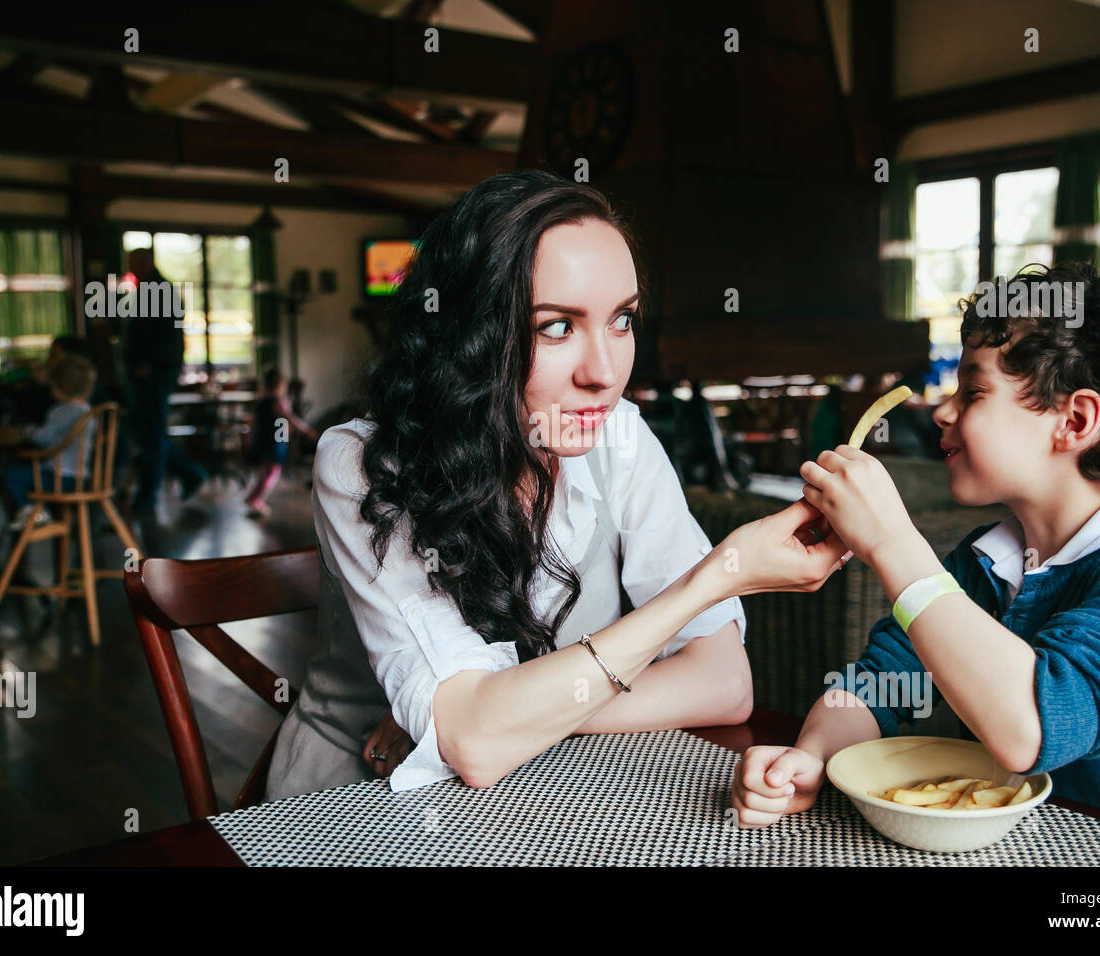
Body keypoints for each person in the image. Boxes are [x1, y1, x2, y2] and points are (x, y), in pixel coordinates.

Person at [265, 170, 852, 799]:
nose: (604, 373)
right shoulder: (361, 460)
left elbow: (726, 685)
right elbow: (474, 743)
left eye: (622, 320)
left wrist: (510, 719)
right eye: (557, 326)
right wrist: (718, 576)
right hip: (351, 807)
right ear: (471, 336)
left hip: (554, 792)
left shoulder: (619, 434)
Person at [733, 263, 1100, 849]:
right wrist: (812, 756)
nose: (943, 411)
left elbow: (1034, 726)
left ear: (1074, 421)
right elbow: (879, 684)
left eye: (972, 390)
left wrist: (893, 543)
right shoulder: (990, 561)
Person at [123, 248, 207, 518]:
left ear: (145, 262)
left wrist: (151, 365)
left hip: (156, 374)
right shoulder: (147, 288)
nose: (130, 267)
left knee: (152, 435)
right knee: (151, 433)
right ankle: (191, 473)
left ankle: (148, 496)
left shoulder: (161, 290)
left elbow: (165, 336)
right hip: (148, 373)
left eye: (133, 262)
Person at [1, 355, 97, 530]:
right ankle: (38, 513)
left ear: (61, 387)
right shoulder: (88, 411)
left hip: (60, 478)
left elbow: (44, 438)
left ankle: (33, 512)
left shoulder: (61, 411)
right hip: (82, 477)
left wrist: (28, 431)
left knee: (12, 475)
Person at [244, 367, 319, 518]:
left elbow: (256, 424)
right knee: (272, 473)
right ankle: (254, 498)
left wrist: (250, 440)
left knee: (267, 472)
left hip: (263, 440)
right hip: (273, 442)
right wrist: (307, 431)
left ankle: (254, 498)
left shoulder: (261, 402)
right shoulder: (278, 402)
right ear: (280, 385)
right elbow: (290, 418)